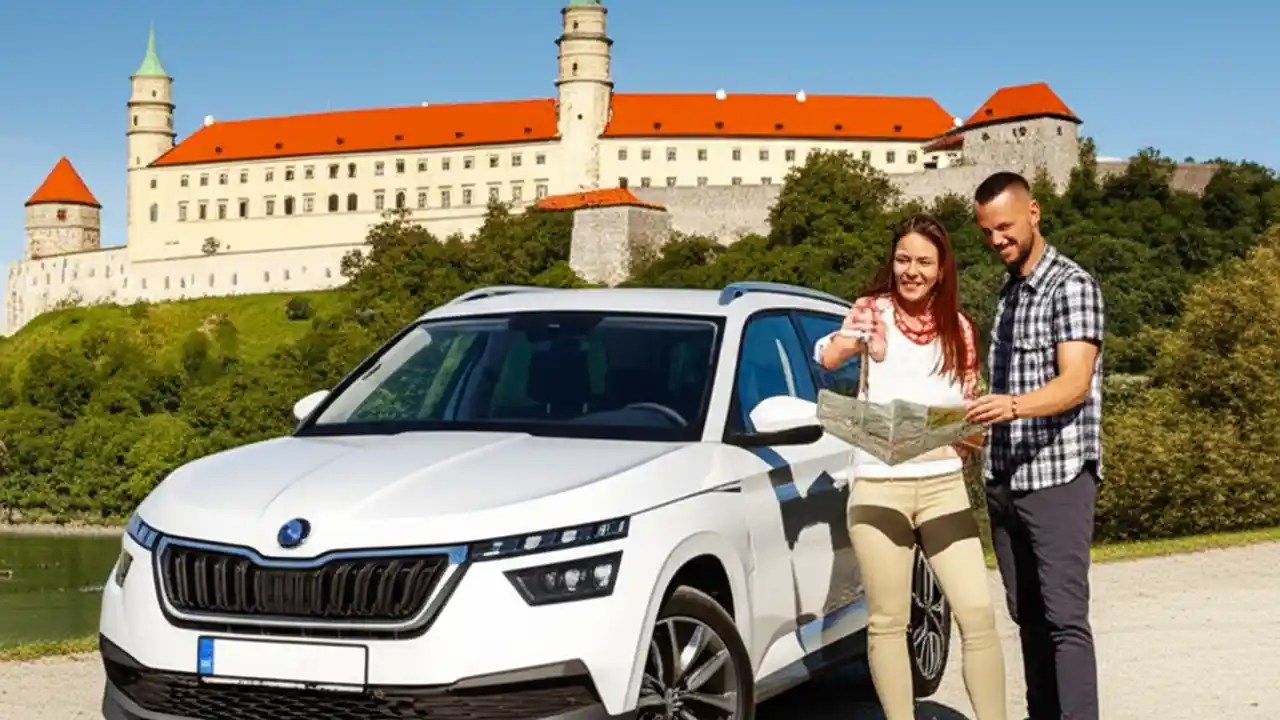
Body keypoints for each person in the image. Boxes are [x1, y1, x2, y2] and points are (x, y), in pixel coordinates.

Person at [815, 214, 1006, 720]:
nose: (911, 271)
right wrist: (856, 339)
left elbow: (969, 411)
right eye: (903, 260)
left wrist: (968, 432)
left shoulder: (960, 329)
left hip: (942, 486)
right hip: (879, 487)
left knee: (977, 614)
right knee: (887, 621)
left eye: (924, 261)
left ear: (942, 269)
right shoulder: (870, 310)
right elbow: (830, 358)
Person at [965, 171, 1105, 720]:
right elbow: (999, 391)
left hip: (1057, 478)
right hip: (1004, 479)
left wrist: (1012, 405)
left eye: (1004, 227)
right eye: (986, 232)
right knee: (1027, 614)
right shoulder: (1008, 293)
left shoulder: (1070, 286)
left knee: (1066, 617)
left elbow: (1074, 383)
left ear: (1034, 213)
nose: (997, 239)